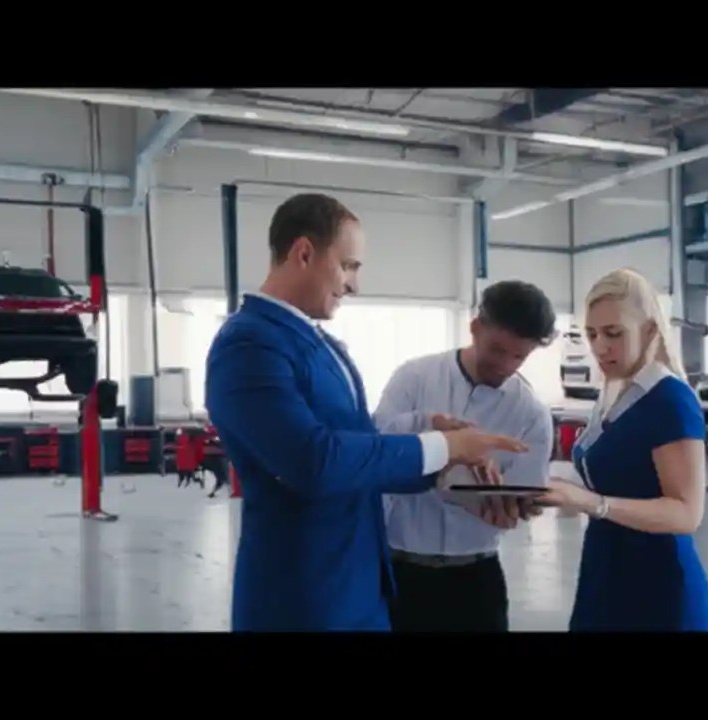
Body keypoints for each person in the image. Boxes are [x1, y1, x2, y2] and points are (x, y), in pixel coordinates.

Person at [204, 193, 529, 632]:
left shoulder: (312, 342)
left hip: (356, 587)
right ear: (304, 253)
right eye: (349, 265)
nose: (354, 284)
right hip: (304, 599)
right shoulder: (249, 344)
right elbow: (314, 461)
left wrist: (440, 450)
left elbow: (356, 448)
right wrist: (439, 445)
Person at [534, 267, 708, 631]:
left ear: (649, 330)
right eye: (592, 334)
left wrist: (592, 504)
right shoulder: (614, 390)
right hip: (607, 568)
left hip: (656, 584)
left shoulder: (669, 400)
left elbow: (686, 514)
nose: (601, 346)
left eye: (614, 333)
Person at [373, 280, 557, 632]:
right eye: (497, 350)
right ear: (475, 327)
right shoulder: (415, 378)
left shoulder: (532, 415)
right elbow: (378, 450)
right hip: (400, 571)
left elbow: (525, 493)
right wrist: (436, 442)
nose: (505, 366)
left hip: (476, 577)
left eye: (519, 356)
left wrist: (516, 509)